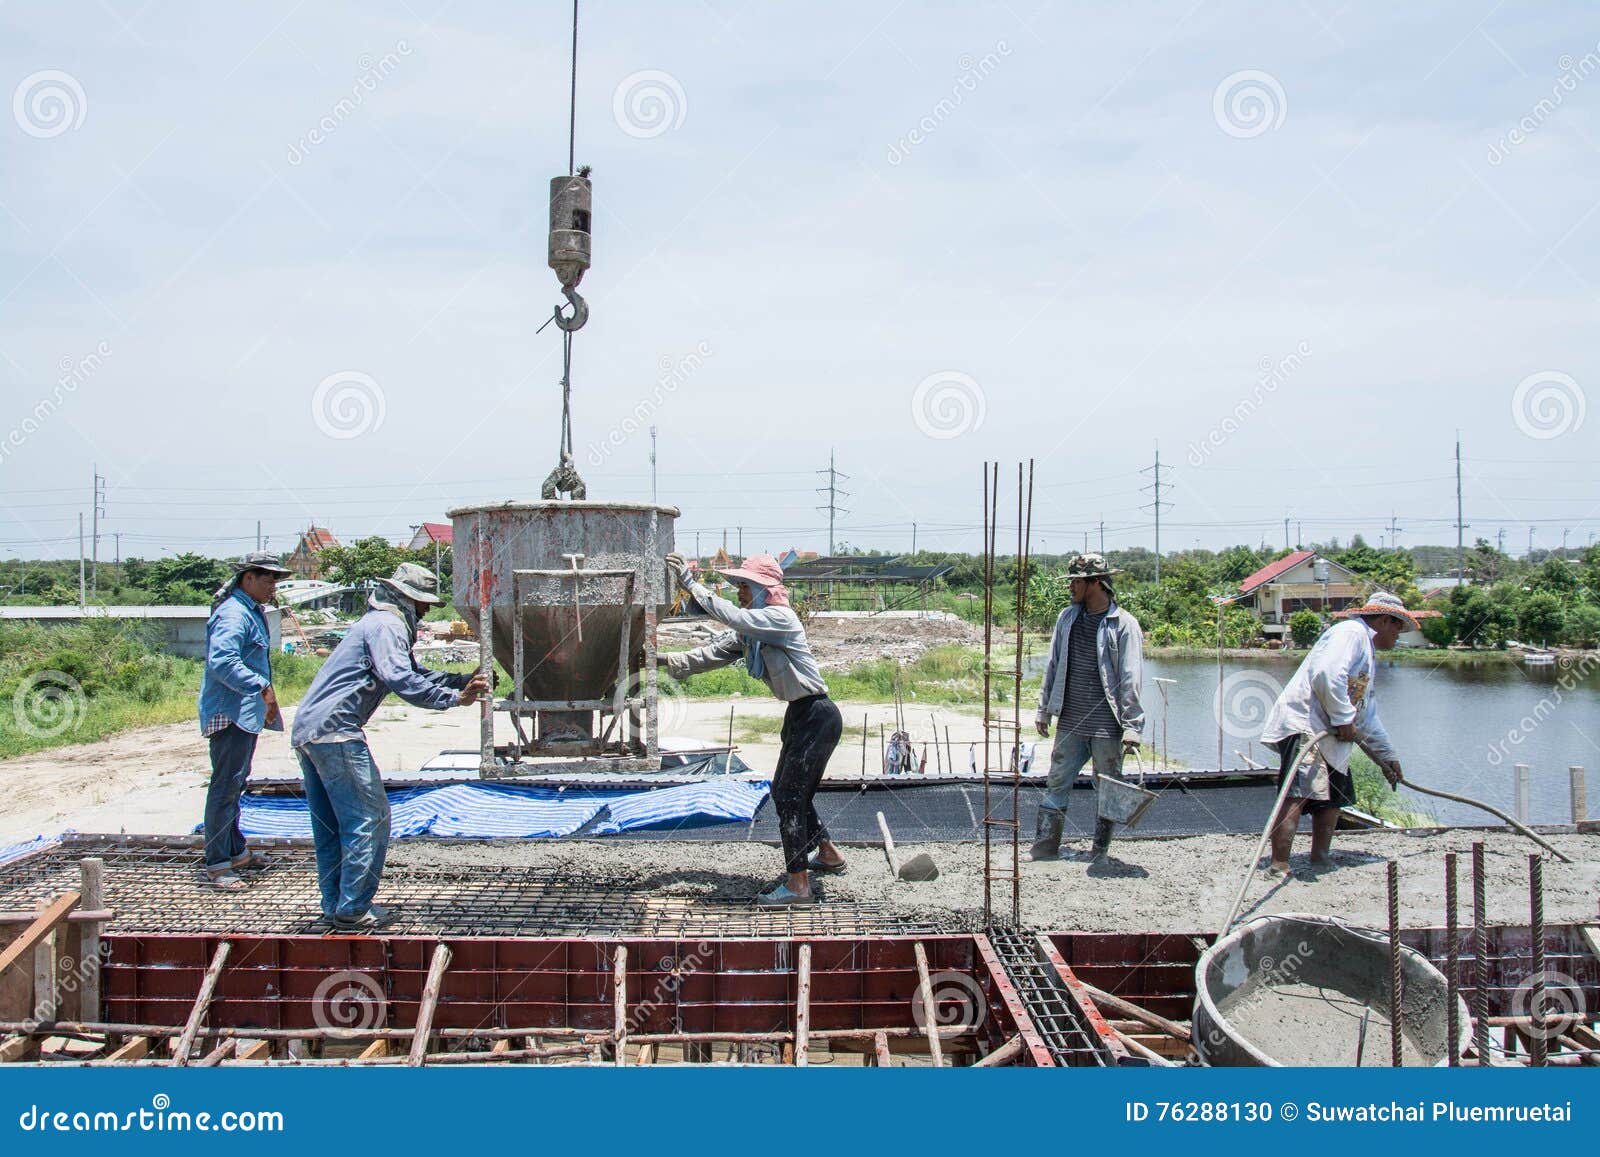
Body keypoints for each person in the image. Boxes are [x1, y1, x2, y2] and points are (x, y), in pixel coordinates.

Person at [290, 563, 489, 930]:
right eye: (423, 604)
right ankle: (352, 909)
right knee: (370, 816)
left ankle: (336, 905)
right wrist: (453, 697)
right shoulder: (389, 625)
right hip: (336, 732)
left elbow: (412, 670)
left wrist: (459, 680)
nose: (427, 611)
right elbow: (399, 678)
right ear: (407, 599)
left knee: (334, 825)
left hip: (310, 731)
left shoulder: (376, 624)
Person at [660, 552, 844, 906]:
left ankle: (798, 885)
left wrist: (691, 584)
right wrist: (656, 661)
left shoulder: (779, 618)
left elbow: (735, 617)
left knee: (789, 795)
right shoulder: (752, 634)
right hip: (800, 715)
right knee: (789, 792)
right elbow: (709, 655)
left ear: (764, 589)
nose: (740, 592)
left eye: (745, 585)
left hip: (818, 715)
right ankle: (827, 852)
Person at [1259, 591, 1411, 876]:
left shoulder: (1366, 651)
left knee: (1333, 797)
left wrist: (1387, 757)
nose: (1398, 635)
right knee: (1298, 793)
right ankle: (1279, 864)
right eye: (1398, 627)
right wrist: (1343, 719)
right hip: (1308, 725)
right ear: (1384, 620)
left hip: (1332, 733)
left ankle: (1321, 857)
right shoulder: (1351, 632)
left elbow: (1366, 714)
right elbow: (1326, 675)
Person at [1032, 553, 1145, 865]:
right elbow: (1053, 665)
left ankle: (1101, 852)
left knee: (1107, 788)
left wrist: (1132, 725)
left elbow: (1130, 677)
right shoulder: (1068, 618)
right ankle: (1044, 849)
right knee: (1056, 782)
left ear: (1097, 583)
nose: (1072, 588)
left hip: (1106, 724)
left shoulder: (1123, 625)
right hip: (1070, 720)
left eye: (1076, 582)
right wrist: (1044, 709)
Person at [197, 551, 292, 890]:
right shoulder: (234, 615)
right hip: (230, 713)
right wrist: (261, 686)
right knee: (224, 789)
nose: (273, 587)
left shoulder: (250, 612)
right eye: (268, 579)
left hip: (242, 714)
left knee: (235, 784)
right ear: (248, 578)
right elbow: (222, 662)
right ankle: (218, 865)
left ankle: (235, 852)